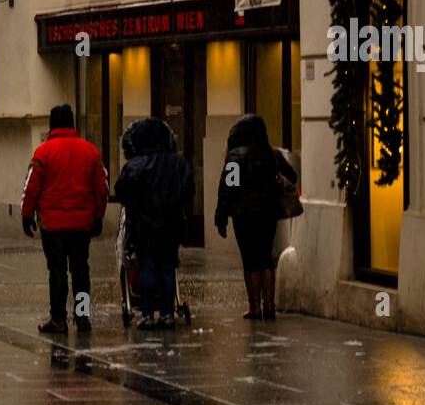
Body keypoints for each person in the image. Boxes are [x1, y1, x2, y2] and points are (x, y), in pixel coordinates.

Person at [21, 103, 109, 334]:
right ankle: (82, 317)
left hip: (52, 226)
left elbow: (31, 187)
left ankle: (58, 319)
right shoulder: (90, 151)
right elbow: (101, 189)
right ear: (72, 123)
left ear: (51, 125)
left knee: (57, 272)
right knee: (81, 272)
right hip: (81, 225)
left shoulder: (43, 153)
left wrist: (26, 214)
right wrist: (98, 217)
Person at [215, 113, 297, 320]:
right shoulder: (271, 153)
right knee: (266, 258)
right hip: (268, 213)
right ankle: (269, 305)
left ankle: (254, 307)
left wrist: (221, 217)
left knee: (250, 260)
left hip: (244, 216)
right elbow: (292, 175)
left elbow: (229, 188)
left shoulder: (234, 157)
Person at [115, 118, 195, 330]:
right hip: (171, 224)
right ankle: (167, 312)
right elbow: (189, 189)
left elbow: (121, 191)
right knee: (168, 266)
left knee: (147, 265)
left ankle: (147, 313)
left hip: (144, 226)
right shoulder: (178, 163)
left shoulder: (134, 165)